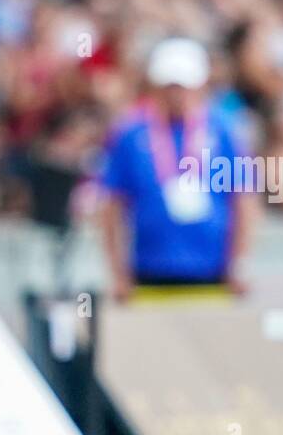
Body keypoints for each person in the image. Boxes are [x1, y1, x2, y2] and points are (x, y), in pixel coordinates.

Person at [100, 37, 260, 303]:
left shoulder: (224, 131)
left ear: (200, 86)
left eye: (183, 87)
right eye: (169, 87)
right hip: (147, 273)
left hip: (213, 273)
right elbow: (111, 205)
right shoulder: (130, 134)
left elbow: (244, 200)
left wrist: (239, 264)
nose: (176, 95)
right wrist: (117, 273)